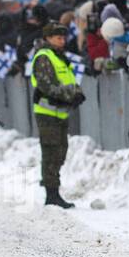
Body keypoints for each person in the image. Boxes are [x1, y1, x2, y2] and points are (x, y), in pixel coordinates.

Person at [30, 22, 86, 208]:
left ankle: (53, 190)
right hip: (47, 113)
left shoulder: (59, 57)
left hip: (60, 113)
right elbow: (47, 86)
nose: (62, 41)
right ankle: (51, 194)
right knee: (51, 153)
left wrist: (77, 92)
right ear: (48, 38)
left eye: (64, 38)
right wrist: (71, 94)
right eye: (58, 37)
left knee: (60, 152)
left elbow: (68, 80)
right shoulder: (44, 57)